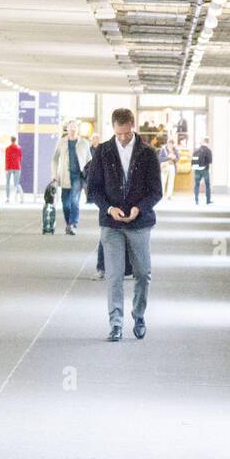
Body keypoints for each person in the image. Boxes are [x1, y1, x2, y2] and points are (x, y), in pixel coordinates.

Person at [92, 108, 161, 342]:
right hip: (111, 224)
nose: (122, 138)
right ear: (113, 128)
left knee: (143, 272)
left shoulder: (148, 154)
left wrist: (138, 208)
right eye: (118, 133)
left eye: (126, 133)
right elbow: (93, 190)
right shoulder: (102, 152)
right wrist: (109, 208)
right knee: (114, 275)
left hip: (139, 223)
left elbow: (156, 191)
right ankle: (116, 323)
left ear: (132, 126)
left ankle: (139, 314)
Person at [51, 121, 92, 235]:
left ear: (78, 130)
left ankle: (73, 224)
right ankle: (69, 223)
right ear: (67, 130)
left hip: (78, 176)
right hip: (64, 175)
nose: (73, 129)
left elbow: (90, 160)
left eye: (75, 127)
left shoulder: (84, 143)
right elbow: (54, 159)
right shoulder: (61, 142)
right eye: (71, 127)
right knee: (65, 203)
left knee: (74, 200)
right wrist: (54, 175)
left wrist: (89, 175)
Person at [193, 137, 213, 205]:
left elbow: (193, 161)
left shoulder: (196, 150)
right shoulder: (208, 150)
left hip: (197, 170)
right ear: (207, 142)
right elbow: (210, 162)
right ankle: (208, 200)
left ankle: (196, 200)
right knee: (207, 185)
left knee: (197, 185)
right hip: (205, 170)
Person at [4, 136, 23, 203]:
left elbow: (7, 159)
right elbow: (20, 158)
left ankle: (7, 198)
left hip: (9, 167)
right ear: (15, 140)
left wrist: (6, 168)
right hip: (17, 167)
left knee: (7, 183)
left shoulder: (7, 149)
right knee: (16, 183)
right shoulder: (19, 148)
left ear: (10, 140)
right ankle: (21, 197)